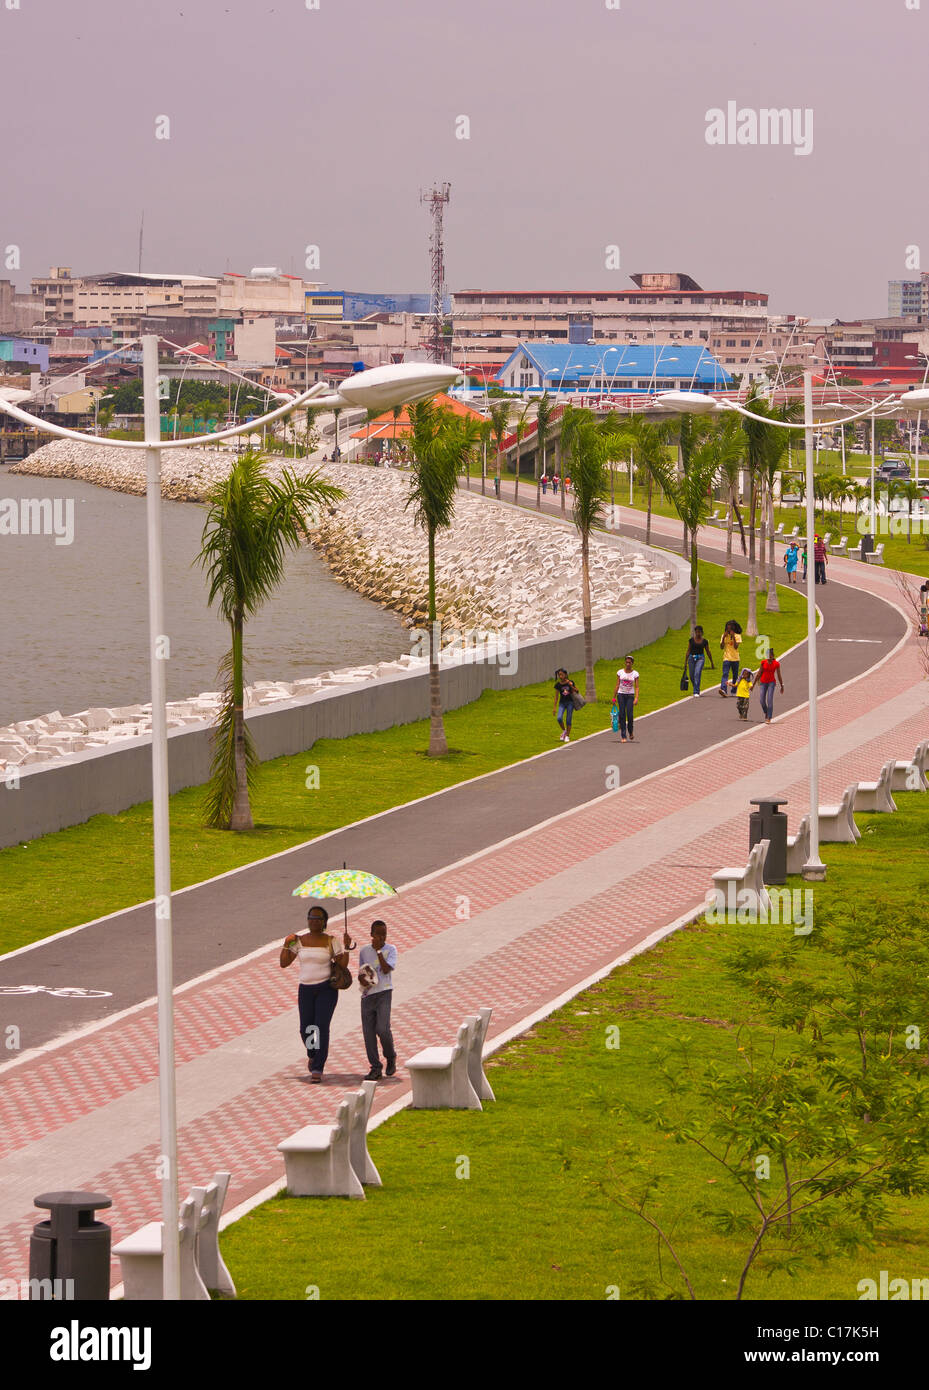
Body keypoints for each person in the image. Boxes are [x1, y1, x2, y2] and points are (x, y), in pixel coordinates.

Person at [280, 905, 352, 1082]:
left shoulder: (331, 940)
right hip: (305, 989)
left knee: (321, 1027)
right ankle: (312, 1053)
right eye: (311, 917)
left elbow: (342, 964)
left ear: (324, 922)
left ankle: (318, 1067)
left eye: (318, 918)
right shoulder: (299, 941)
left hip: (326, 989)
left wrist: (347, 947)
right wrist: (286, 944)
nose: (314, 921)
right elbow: (284, 963)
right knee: (306, 1028)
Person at [358, 919, 397, 1081]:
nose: (381, 938)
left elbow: (387, 969)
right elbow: (361, 972)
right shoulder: (364, 951)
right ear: (371, 934)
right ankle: (375, 1067)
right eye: (378, 934)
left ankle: (390, 1056)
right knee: (368, 1033)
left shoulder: (391, 949)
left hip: (384, 993)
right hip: (368, 995)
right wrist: (364, 980)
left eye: (384, 934)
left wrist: (379, 951)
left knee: (382, 1028)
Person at [751, 647, 784, 724]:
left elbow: (779, 675)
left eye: (770, 656)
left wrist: (782, 685)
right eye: (767, 655)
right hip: (763, 682)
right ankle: (766, 712)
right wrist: (753, 684)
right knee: (762, 700)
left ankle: (769, 717)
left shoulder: (776, 664)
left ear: (772, 656)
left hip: (771, 683)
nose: (768, 657)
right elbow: (759, 673)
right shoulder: (763, 662)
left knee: (769, 700)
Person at [612, 654, 639, 742]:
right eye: (626, 662)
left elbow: (637, 687)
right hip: (621, 695)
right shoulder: (620, 672)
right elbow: (617, 684)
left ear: (632, 663)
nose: (628, 664)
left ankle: (630, 731)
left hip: (630, 695)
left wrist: (636, 698)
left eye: (629, 662)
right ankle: (623, 736)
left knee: (630, 715)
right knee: (622, 715)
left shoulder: (635, 673)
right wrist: (614, 697)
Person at [684, 625, 714, 697]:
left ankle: (696, 691)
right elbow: (688, 651)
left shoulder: (705, 641)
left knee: (697, 673)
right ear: (695, 632)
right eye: (697, 632)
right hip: (691, 658)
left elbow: (708, 652)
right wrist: (685, 662)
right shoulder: (691, 640)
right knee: (692, 675)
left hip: (700, 658)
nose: (698, 634)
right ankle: (696, 687)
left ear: (702, 632)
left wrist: (712, 662)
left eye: (699, 632)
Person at [553, 667, 579, 743]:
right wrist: (554, 707)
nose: (560, 676)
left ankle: (567, 736)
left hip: (570, 703)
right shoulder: (558, 685)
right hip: (562, 703)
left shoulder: (570, 682)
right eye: (559, 675)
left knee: (568, 719)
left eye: (562, 675)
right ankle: (564, 731)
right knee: (559, 718)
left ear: (565, 675)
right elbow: (556, 696)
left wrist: (571, 685)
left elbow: (577, 691)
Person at [718, 621, 742, 696]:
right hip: (726, 658)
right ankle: (723, 689)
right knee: (725, 674)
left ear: (733, 628)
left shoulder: (738, 636)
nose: (729, 629)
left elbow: (735, 646)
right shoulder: (724, 635)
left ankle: (734, 690)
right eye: (728, 627)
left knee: (735, 675)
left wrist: (733, 637)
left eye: (730, 627)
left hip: (735, 658)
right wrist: (724, 638)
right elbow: (721, 647)